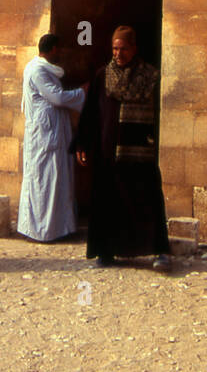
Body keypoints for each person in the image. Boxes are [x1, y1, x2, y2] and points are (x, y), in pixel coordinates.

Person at [72, 25, 171, 270]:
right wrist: (83, 142)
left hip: (140, 152)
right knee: (108, 201)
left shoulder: (150, 77)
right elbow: (91, 112)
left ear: (134, 49)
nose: (118, 53)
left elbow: (161, 116)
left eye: (123, 49)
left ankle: (159, 252)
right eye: (115, 48)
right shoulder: (102, 76)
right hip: (108, 152)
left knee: (146, 199)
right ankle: (106, 252)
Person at [17, 33, 86, 242]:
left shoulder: (43, 69)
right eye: (58, 49)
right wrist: (82, 93)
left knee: (55, 180)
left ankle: (58, 228)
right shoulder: (37, 70)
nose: (60, 53)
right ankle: (42, 231)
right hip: (44, 136)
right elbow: (57, 96)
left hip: (53, 133)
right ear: (53, 49)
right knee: (43, 180)